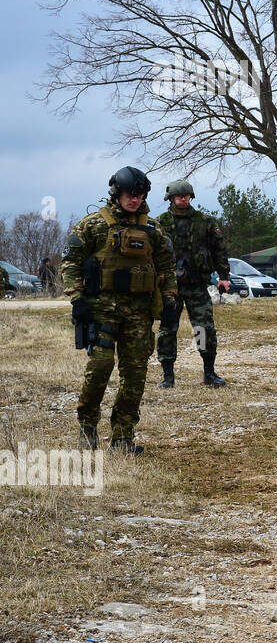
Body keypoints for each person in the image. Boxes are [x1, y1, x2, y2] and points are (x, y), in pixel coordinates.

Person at [61, 166, 178, 454]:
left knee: (135, 375)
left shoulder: (153, 229)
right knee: (100, 368)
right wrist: (77, 300)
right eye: (130, 194)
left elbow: (167, 267)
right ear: (117, 192)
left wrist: (170, 300)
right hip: (101, 311)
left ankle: (122, 438)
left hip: (139, 314)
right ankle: (87, 426)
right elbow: (71, 262)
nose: (135, 199)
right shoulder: (93, 225)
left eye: (140, 195)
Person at [155, 179, 231, 388]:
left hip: (197, 285)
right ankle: (168, 376)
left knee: (204, 329)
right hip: (170, 287)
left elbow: (219, 250)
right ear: (171, 198)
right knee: (168, 330)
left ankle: (209, 372)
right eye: (179, 196)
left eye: (186, 195)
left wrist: (224, 276)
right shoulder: (159, 224)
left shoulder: (204, 222)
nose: (183, 198)